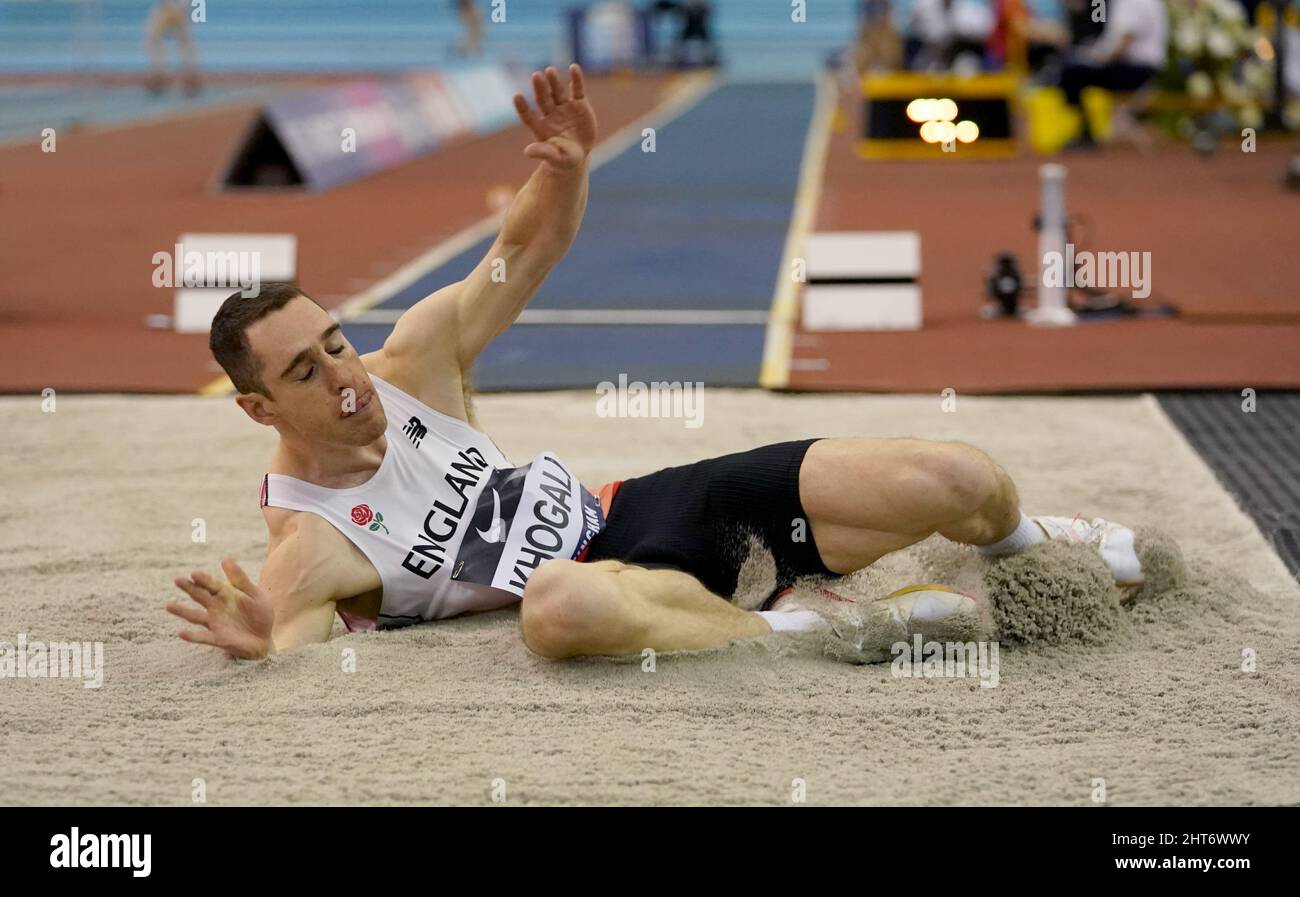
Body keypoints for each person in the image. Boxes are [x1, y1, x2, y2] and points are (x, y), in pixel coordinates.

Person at [167, 64, 1145, 663]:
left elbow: (521, 256)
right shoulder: (310, 539)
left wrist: (565, 172)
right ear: (258, 409)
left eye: (335, 340)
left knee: (956, 477)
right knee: (555, 607)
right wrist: (260, 644)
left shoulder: (412, 364)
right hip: (603, 592)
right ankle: (813, 628)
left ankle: (1030, 556)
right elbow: (284, 631)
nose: (344, 375)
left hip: (646, 509)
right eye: (305, 373)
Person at [1057, 0, 1168, 147]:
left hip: (1137, 70)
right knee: (1075, 68)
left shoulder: (1131, 2)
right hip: (1138, 67)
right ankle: (1086, 131)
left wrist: (1096, 57)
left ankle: (1085, 133)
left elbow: (1123, 44)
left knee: (1071, 72)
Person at [144, 0, 200, 95]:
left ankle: (190, 77)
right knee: (154, 40)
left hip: (174, 8)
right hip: (169, 8)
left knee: (184, 42)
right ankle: (159, 75)